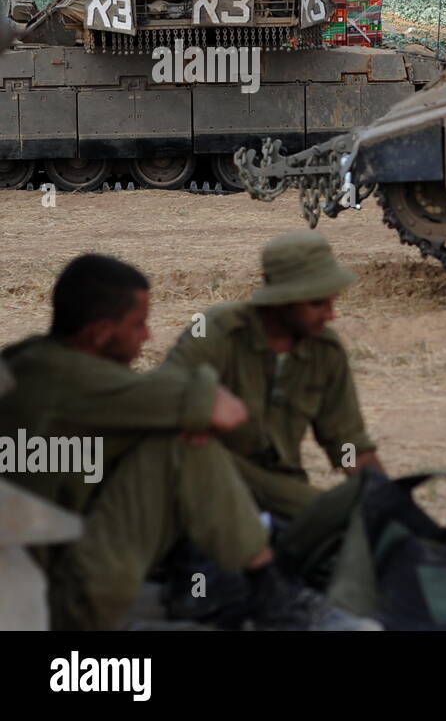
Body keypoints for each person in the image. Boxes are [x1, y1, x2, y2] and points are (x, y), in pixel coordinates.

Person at [0, 253, 374, 630]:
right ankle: (271, 594)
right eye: (138, 325)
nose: (148, 336)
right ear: (99, 333)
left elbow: (349, 441)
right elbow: (225, 411)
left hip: (35, 582)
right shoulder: (81, 381)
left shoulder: (32, 362)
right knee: (178, 448)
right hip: (55, 604)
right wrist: (185, 418)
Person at [164, 231, 384, 520]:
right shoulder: (219, 332)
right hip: (209, 486)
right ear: (283, 299)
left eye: (332, 302)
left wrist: (381, 499)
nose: (331, 316)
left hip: (283, 493)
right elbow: (162, 404)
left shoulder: (325, 352)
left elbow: (345, 443)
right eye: (317, 304)